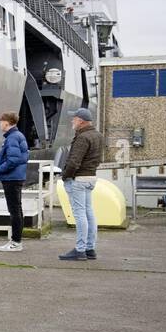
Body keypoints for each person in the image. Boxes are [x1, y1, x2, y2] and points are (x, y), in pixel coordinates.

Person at [58, 106, 103, 261]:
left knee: (79, 214)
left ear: (81, 121)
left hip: (79, 179)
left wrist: (65, 176)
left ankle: (80, 250)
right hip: (91, 178)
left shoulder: (82, 137)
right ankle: (90, 248)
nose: (72, 120)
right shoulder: (97, 135)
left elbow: (74, 162)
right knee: (89, 213)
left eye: (74, 118)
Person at [0, 111, 29, 252]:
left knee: (14, 211)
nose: (0, 124)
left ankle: (16, 242)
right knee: (17, 210)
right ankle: (16, 241)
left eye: (1, 121)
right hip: (15, 177)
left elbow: (13, 159)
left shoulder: (12, 137)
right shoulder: (17, 136)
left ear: (7, 122)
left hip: (12, 178)